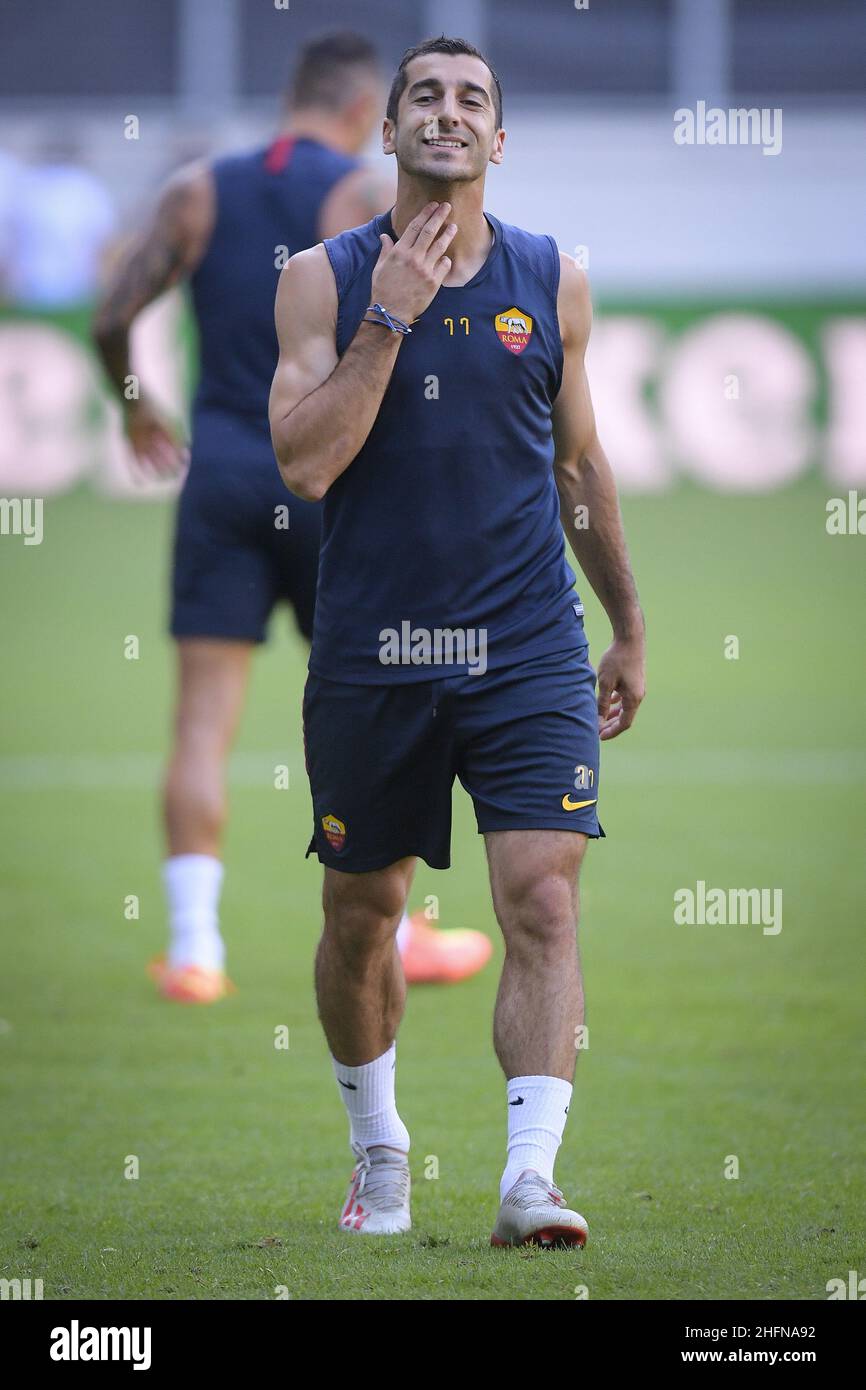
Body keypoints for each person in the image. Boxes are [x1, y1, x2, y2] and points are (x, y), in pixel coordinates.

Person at [270, 35, 646, 1245]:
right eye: (422, 96)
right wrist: (389, 318)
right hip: (374, 650)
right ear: (385, 132)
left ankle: (527, 1179)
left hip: (526, 642)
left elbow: (580, 466)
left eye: (469, 99)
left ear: (498, 137)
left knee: (540, 899)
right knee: (359, 919)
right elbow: (307, 462)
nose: (445, 113)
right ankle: (379, 1153)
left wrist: (626, 623)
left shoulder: (552, 279)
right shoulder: (321, 281)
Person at [92, 31, 492, 1004]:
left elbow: (110, 318)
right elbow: (422, 326)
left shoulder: (197, 190)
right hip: (329, 478)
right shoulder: (359, 196)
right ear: (368, 111)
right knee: (384, 710)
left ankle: (195, 950)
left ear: (290, 97)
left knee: (200, 722)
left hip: (222, 475)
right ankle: (403, 939)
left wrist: (139, 405)